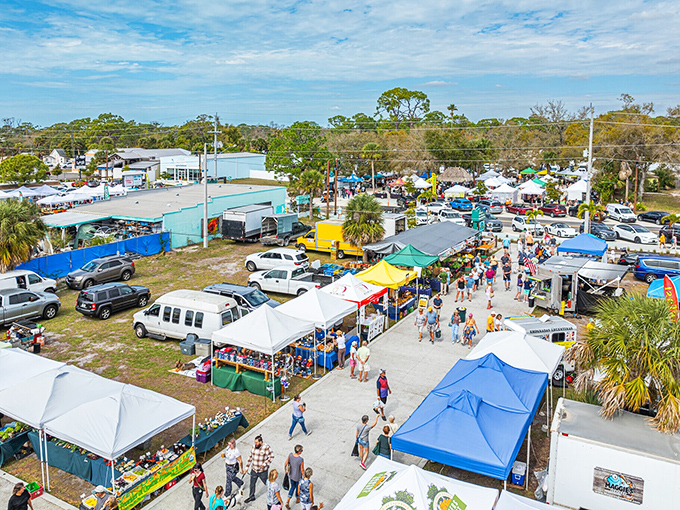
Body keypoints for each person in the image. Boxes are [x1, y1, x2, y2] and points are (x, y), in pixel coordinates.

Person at [243, 435, 274, 503]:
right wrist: (246, 468)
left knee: (266, 483)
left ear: (261, 442)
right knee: (252, 484)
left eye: (256, 442)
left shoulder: (266, 447)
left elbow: (271, 456)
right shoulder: (254, 447)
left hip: (263, 471)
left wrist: (264, 464)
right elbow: (250, 457)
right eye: (255, 442)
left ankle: (273, 493)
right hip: (254, 470)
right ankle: (251, 496)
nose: (255, 444)